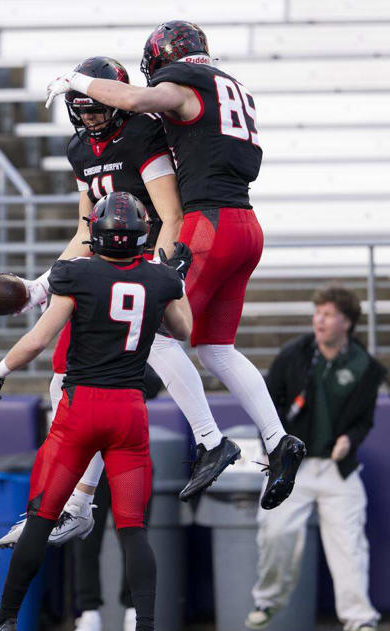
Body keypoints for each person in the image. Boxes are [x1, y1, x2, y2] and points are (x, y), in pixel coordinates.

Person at [45, 20, 306, 510]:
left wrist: (76, 82)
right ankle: (278, 440)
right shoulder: (231, 85)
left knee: (156, 332)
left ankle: (211, 441)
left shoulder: (187, 80)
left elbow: (140, 102)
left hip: (207, 224)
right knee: (216, 348)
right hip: (246, 225)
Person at [0, 55, 241, 551]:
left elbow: (170, 212)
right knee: (62, 381)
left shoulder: (141, 135)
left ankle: (210, 438)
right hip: (101, 268)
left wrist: (163, 265)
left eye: (94, 106)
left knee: (159, 342)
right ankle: (77, 507)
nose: (89, 117)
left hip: (139, 260)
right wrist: (41, 285)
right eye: (80, 109)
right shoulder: (79, 150)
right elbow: (84, 233)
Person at [0, 192, 193, 631]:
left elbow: (38, 339)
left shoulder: (76, 273)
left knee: (41, 520)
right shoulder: (158, 280)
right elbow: (185, 331)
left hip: (80, 409)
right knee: (133, 528)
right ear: (141, 234)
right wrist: (177, 279)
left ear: (94, 234)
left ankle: (4, 623)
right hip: (129, 412)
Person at [245, 285, 385, 631]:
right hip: (293, 467)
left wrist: (349, 440)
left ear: (347, 323)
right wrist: (272, 445)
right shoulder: (293, 354)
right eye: (317, 313)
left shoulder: (366, 367)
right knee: (276, 531)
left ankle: (360, 619)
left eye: (328, 314)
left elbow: (363, 420)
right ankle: (268, 600)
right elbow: (268, 403)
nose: (319, 320)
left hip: (338, 470)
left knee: (348, 542)